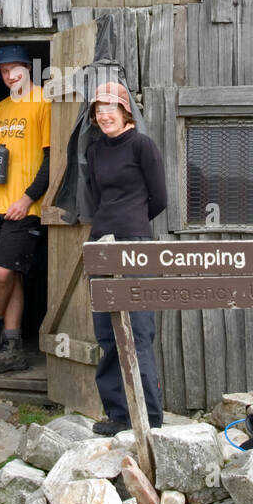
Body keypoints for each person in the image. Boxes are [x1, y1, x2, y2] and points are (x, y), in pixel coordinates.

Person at [86, 82, 167, 436]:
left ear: (125, 112)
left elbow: (159, 198)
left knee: (138, 329)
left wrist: (131, 222)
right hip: (101, 244)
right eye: (99, 110)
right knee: (106, 332)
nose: (105, 115)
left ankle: (149, 416)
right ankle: (118, 413)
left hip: (134, 244)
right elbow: (92, 194)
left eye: (111, 108)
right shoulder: (95, 150)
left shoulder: (142, 146)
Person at [0, 45, 51, 374]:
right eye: (4, 71)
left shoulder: (44, 101)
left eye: (15, 69)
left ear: (28, 68)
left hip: (25, 207)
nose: (9, 76)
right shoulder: (0, 107)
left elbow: (52, 159)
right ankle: (13, 346)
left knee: (2, 273)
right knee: (13, 276)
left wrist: (27, 199)